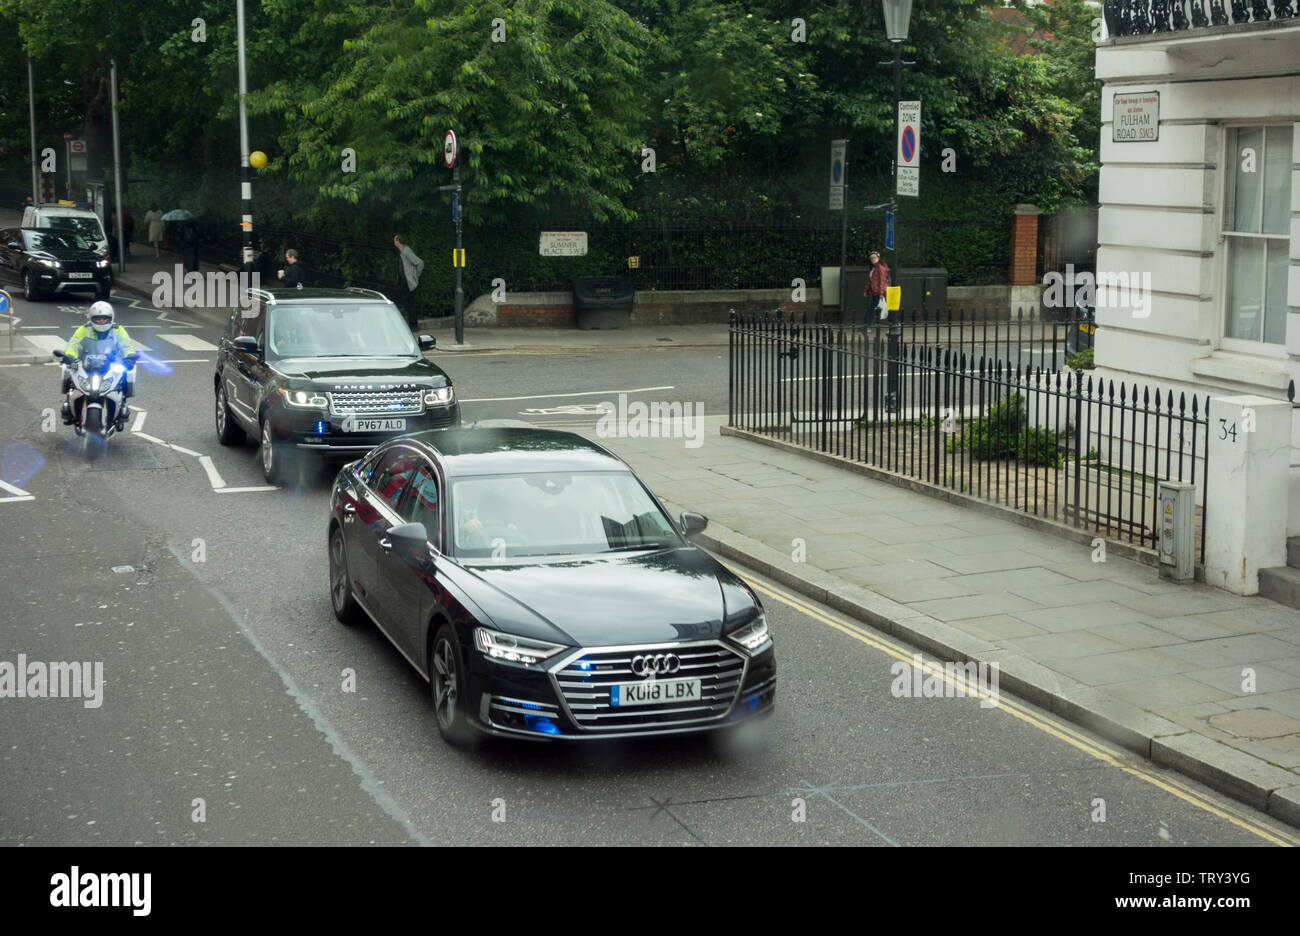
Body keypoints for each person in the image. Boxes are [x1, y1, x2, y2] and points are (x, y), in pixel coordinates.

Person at [60, 301, 138, 430]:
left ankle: (123, 403)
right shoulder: (84, 329)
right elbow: (72, 345)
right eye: (97, 318)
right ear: (91, 318)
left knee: (127, 374)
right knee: (68, 371)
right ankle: (68, 405)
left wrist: (129, 357)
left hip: (111, 365)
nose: (101, 321)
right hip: (88, 364)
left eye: (104, 318)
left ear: (110, 318)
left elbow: (126, 346)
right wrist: (69, 356)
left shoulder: (118, 330)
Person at [394, 234, 424, 329]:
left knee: (410, 304)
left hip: (408, 283)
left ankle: (414, 326)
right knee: (406, 304)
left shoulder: (406, 251)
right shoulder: (402, 252)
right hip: (403, 282)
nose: (394, 242)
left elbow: (420, 263)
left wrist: (416, 276)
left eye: (395, 240)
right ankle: (410, 325)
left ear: (398, 241)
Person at [865, 249, 891, 321]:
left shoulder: (880, 267)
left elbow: (882, 281)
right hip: (876, 292)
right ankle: (894, 323)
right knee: (882, 308)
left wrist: (881, 293)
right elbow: (870, 281)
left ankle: (867, 326)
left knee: (872, 309)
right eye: (871, 258)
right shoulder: (874, 268)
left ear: (878, 258)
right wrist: (866, 290)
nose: (872, 259)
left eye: (874, 257)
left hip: (880, 292)